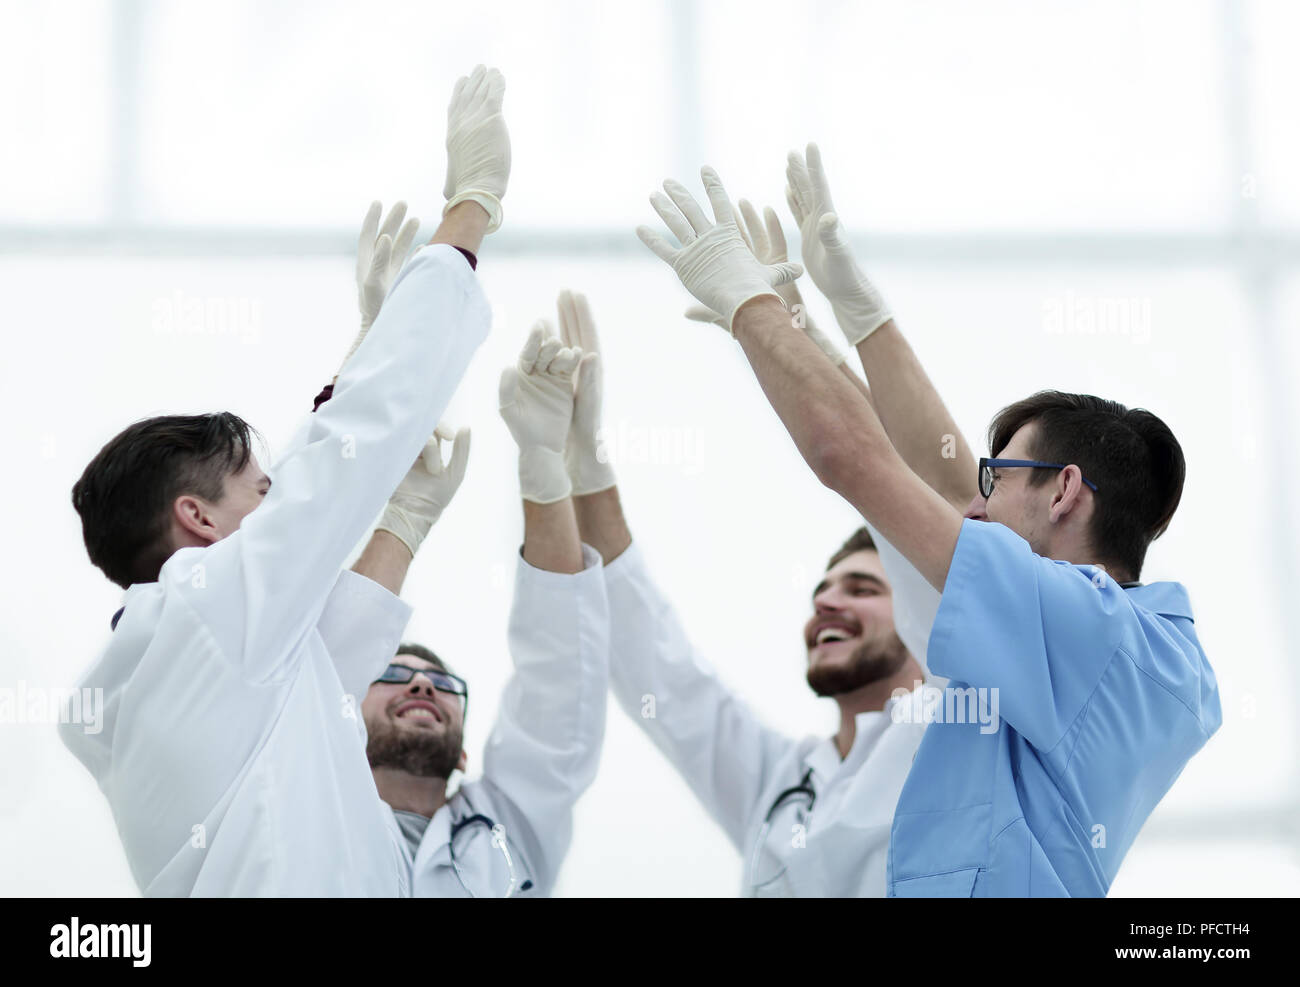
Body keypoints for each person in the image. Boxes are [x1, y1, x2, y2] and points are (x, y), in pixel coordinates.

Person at [637, 146, 1221, 897]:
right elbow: (940, 477)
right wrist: (839, 318)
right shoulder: (1103, 635)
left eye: (997, 476)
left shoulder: (1096, 633)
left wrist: (752, 312)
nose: (973, 501)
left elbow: (857, 461)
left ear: (1065, 491)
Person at [59, 65, 509, 897]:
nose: (279, 506)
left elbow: (329, 655)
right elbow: (349, 445)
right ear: (196, 519)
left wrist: (403, 519)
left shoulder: (186, 668)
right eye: (259, 492)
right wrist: (469, 210)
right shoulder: (207, 606)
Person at [547, 288, 933, 896]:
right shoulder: (777, 779)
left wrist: (808, 353)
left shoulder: (961, 726)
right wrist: (580, 464)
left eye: (861, 588)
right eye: (821, 593)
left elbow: (911, 502)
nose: (827, 603)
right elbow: (658, 667)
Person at [354, 319, 611, 898]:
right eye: (394, 675)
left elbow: (559, 673)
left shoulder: (512, 824)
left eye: (441, 684)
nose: (422, 688)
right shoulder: (302, 800)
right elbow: (321, 652)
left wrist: (544, 466)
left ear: (465, 748)